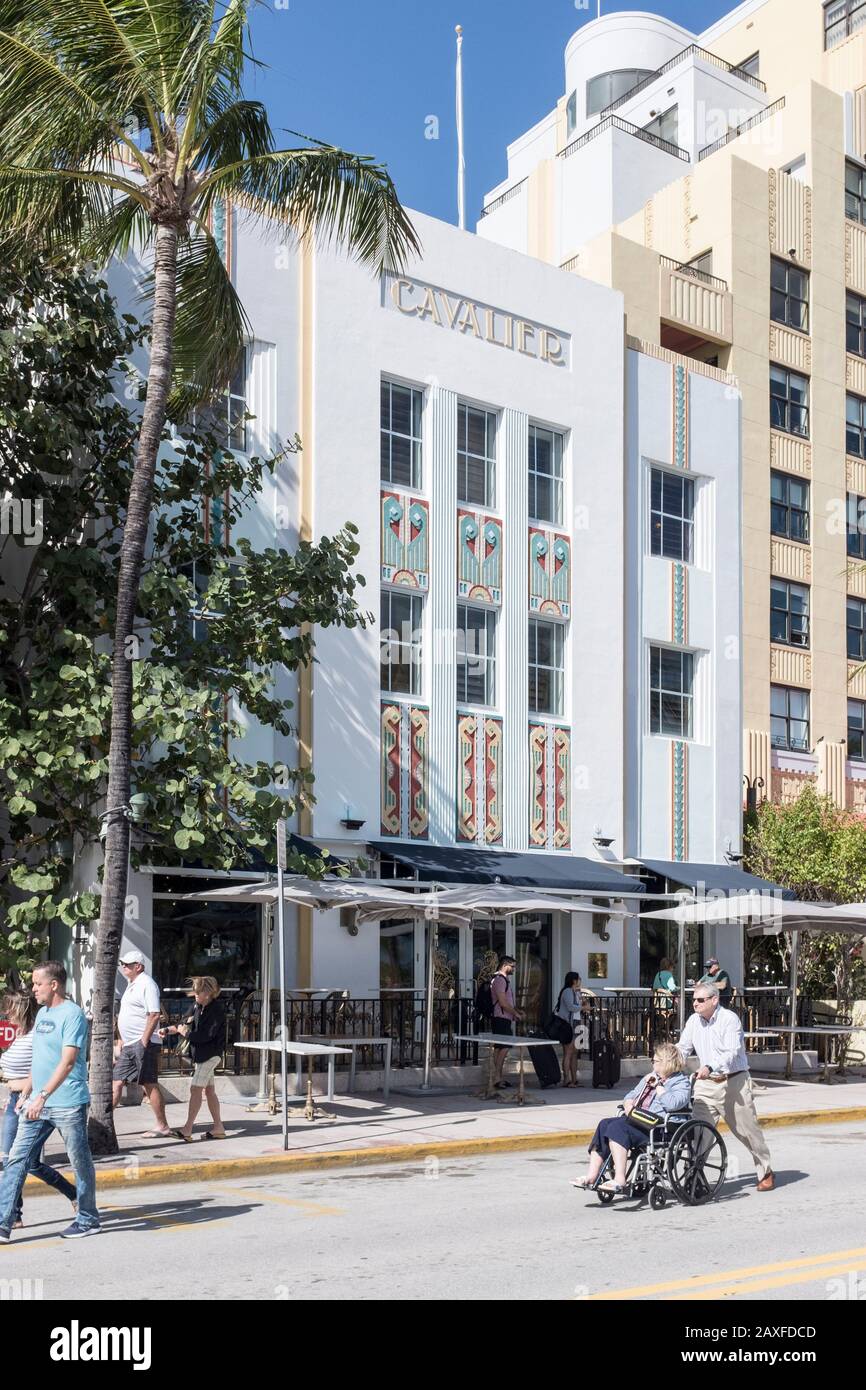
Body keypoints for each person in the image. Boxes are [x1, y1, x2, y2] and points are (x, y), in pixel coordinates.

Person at [0, 962, 100, 1241]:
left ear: (53, 985)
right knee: (17, 1159)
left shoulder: (73, 1015)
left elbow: (67, 1062)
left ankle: (89, 1219)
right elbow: (40, 1061)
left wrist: (42, 1096)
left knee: (79, 1161)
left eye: (37, 984)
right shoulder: (43, 1014)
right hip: (36, 1104)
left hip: (67, 1102)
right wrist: (28, 1093)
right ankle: (3, 1223)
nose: (33, 989)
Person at [677, 980, 775, 1191]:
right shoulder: (694, 1021)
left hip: (734, 1082)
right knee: (699, 1133)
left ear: (714, 1000)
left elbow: (731, 1053)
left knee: (748, 1131)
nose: (695, 1004)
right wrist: (666, 1062)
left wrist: (710, 1066)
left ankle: (765, 1170)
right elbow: (683, 1048)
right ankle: (695, 1177)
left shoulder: (729, 1020)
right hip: (705, 1085)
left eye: (700, 1000)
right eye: (693, 1000)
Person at [0, 990, 79, 1228]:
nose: (5, 1013)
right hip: (16, 1100)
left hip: (29, 1102)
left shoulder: (36, 1035)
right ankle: (73, 1194)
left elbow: (43, 1069)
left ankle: (12, 1216)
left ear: (21, 1010)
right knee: (29, 1163)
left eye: (9, 1008)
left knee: (12, 1160)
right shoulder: (21, 1034)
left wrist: (24, 1091)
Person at [572, 1043, 691, 1194]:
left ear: (667, 1062)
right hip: (640, 1121)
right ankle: (592, 1175)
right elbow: (631, 1095)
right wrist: (628, 1104)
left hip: (660, 1128)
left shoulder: (681, 1082)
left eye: (655, 1061)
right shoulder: (651, 1077)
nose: (653, 1064)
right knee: (604, 1124)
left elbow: (673, 1104)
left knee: (617, 1128)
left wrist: (659, 1088)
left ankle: (620, 1178)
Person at [112, 948, 171, 1138]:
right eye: (122, 964)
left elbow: (154, 1014)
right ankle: (102, 1124)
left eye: (127, 965)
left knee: (148, 1083)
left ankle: (162, 1125)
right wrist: (122, 1040)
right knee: (116, 1082)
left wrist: (144, 1040)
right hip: (129, 1043)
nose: (123, 967)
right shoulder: (132, 984)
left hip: (141, 1043)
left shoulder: (147, 984)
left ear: (138, 966)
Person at [164, 977, 227, 1142]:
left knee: (195, 1089)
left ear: (207, 993)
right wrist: (167, 1030)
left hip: (211, 1055)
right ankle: (218, 1127)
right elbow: (182, 1023)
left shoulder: (216, 1011)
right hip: (202, 1055)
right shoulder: (197, 1006)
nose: (195, 995)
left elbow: (206, 1036)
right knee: (209, 1091)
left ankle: (187, 1129)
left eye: (197, 992)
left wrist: (187, 1033)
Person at [490, 955, 523, 1089]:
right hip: (501, 1018)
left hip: (503, 1017)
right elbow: (503, 1003)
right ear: (505, 965)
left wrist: (517, 1011)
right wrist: (515, 1013)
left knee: (500, 1047)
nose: (514, 969)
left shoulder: (502, 980)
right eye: (512, 966)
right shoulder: (499, 980)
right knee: (504, 1047)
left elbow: (507, 1002)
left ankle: (498, 1078)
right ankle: (497, 1077)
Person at [552, 971, 585, 1086]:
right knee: (568, 1052)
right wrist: (583, 1007)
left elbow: (577, 1006)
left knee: (575, 1052)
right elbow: (571, 1007)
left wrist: (581, 1001)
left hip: (576, 1023)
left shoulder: (575, 992)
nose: (580, 981)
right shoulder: (567, 991)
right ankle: (566, 1079)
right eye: (578, 979)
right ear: (573, 980)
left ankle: (574, 1079)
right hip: (568, 1025)